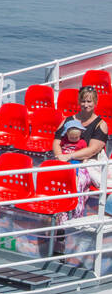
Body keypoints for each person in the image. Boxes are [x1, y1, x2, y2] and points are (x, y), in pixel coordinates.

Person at [52, 87, 109, 223]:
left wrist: (69, 156)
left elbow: (92, 150)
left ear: (95, 102)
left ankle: (74, 222)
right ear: (79, 102)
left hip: (86, 164)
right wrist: (60, 157)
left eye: (89, 101)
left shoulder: (100, 125)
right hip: (64, 163)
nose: (86, 105)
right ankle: (59, 220)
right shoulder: (67, 121)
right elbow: (57, 141)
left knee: (76, 184)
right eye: (83, 101)